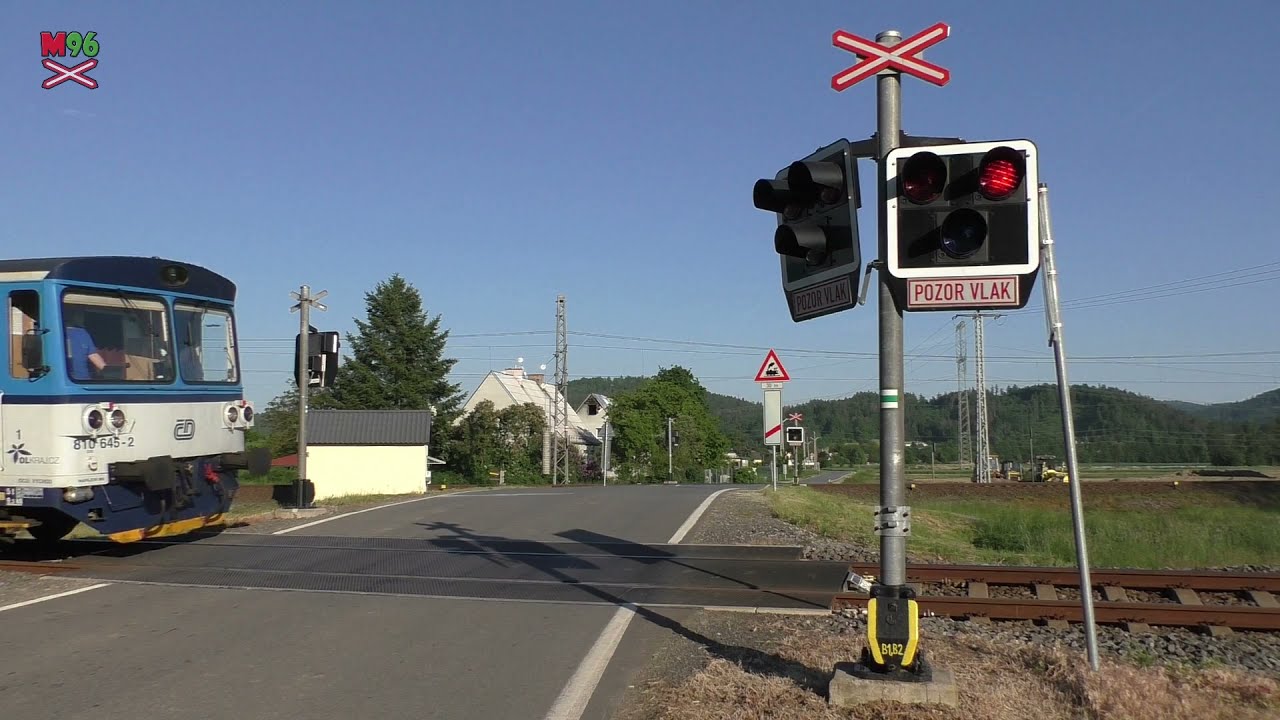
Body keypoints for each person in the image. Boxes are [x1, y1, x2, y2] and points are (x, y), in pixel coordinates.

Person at [65, 313, 106, 380]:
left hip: (83, 380)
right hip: (64, 380)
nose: (81, 318)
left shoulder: (82, 333)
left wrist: (108, 371)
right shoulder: (54, 332)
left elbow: (93, 355)